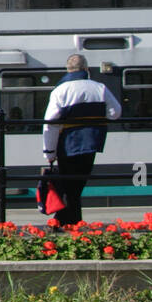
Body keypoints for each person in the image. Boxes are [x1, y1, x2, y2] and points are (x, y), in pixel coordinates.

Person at [43, 54, 121, 227]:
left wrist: (49, 152)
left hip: (67, 144)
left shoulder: (60, 90)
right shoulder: (99, 87)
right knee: (77, 186)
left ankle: (67, 222)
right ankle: (70, 221)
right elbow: (115, 113)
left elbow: (50, 124)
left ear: (67, 70)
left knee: (68, 186)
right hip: (92, 143)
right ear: (86, 69)